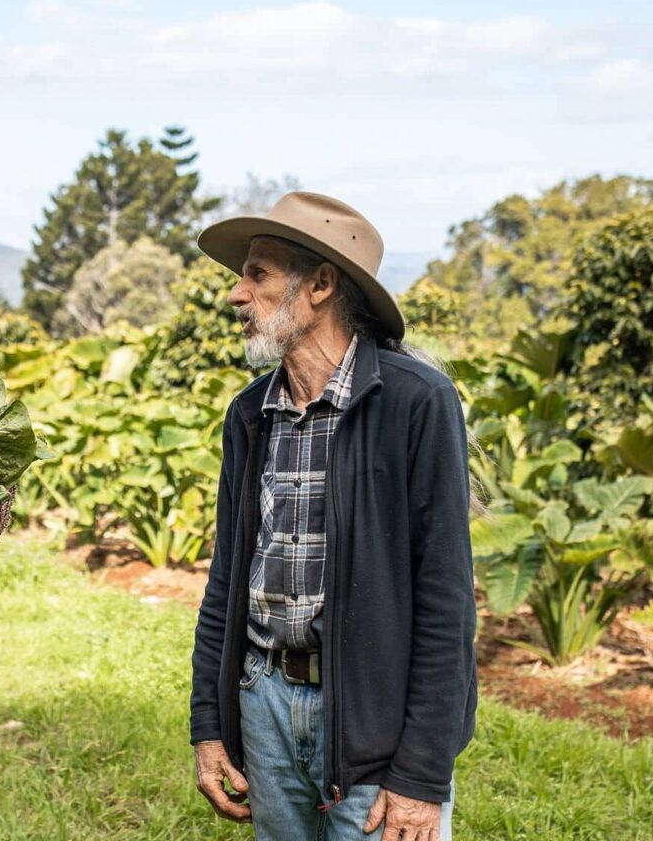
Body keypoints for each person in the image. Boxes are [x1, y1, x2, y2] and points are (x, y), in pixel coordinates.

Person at [189, 192, 477, 840]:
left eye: (257, 274)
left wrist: (422, 775)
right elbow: (227, 581)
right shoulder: (249, 413)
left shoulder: (416, 402)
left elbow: (446, 600)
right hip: (263, 701)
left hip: (375, 716)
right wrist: (210, 726)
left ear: (320, 284)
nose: (236, 295)